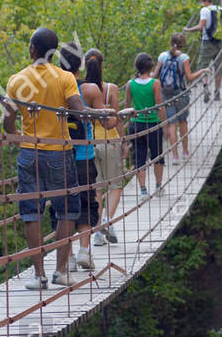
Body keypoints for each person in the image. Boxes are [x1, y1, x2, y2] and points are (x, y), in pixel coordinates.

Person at [2, 27, 112, 290]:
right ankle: (61, 271)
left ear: (32, 50)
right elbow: (81, 111)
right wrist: (105, 112)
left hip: (29, 153)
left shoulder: (17, 80)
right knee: (66, 211)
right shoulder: (64, 78)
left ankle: (38, 276)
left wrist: (20, 136)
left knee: (31, 213)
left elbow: (7, 122)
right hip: (59, 154)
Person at [60, 44, 111, 270]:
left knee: (62, 205)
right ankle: (84, 250)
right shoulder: (91, 89)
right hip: (84, 155)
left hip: (60, 155)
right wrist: (113, 113)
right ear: (81, 64)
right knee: (87, 202)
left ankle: (68, 258)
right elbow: (106, 123)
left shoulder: (55, 87)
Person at [86, 48, 125, 247]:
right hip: (110, 141)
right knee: (116, 185)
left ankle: (98, 234)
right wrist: (124, 141)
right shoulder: (112, 89)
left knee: (97, 188)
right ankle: (107, 221)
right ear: (102, 65)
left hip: (90, 144)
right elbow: (116, 118)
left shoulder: (81, 90)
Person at [155, 33, 208, 163]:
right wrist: (202, 71)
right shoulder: (184, 58)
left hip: (165, 93)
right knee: (183, 121)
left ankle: (175, 156)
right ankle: (185, 152)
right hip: (180, 93)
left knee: (172, 123)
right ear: (182, 45)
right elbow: (189, 77)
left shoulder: (162, 56)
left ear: (170, 42)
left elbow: (154, 75)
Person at [124, 52, 166, 196]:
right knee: (158, 156)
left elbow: (127, 106)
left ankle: (143, 190)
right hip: (153, 123)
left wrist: (130, 120)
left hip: (136, 125)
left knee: (139, 157)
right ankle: (158, 186)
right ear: (151, 67)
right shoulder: (155, 83)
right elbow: (160, 106)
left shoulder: (130, 84)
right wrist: (164, 126)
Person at [185, 0, 222, 102]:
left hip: (207, 43)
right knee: (218, 67)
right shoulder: (221, 9)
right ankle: (217, 92)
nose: (201, 4)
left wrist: (188, 30)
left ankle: (205, 87)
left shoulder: (204, 10)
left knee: (203, 66)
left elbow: (200, 26)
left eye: (201, 2)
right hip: (218, 42)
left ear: (206, 1)